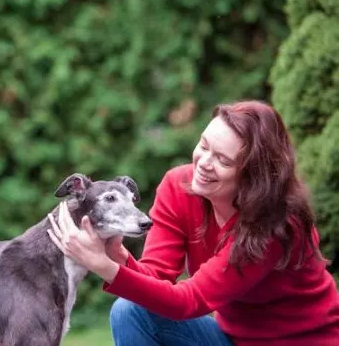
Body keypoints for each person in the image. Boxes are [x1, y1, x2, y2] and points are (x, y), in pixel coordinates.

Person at [48, 100, 339, 346]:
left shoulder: (275, 223)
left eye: (222, 160)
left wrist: (102, 266)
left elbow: (188, 301)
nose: (203, 162)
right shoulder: (179, 187)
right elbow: (157, 278)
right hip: (232, 339)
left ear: (252, 178)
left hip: (304, 340)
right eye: (204, 145)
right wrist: (119, 257)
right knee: (130, 311)